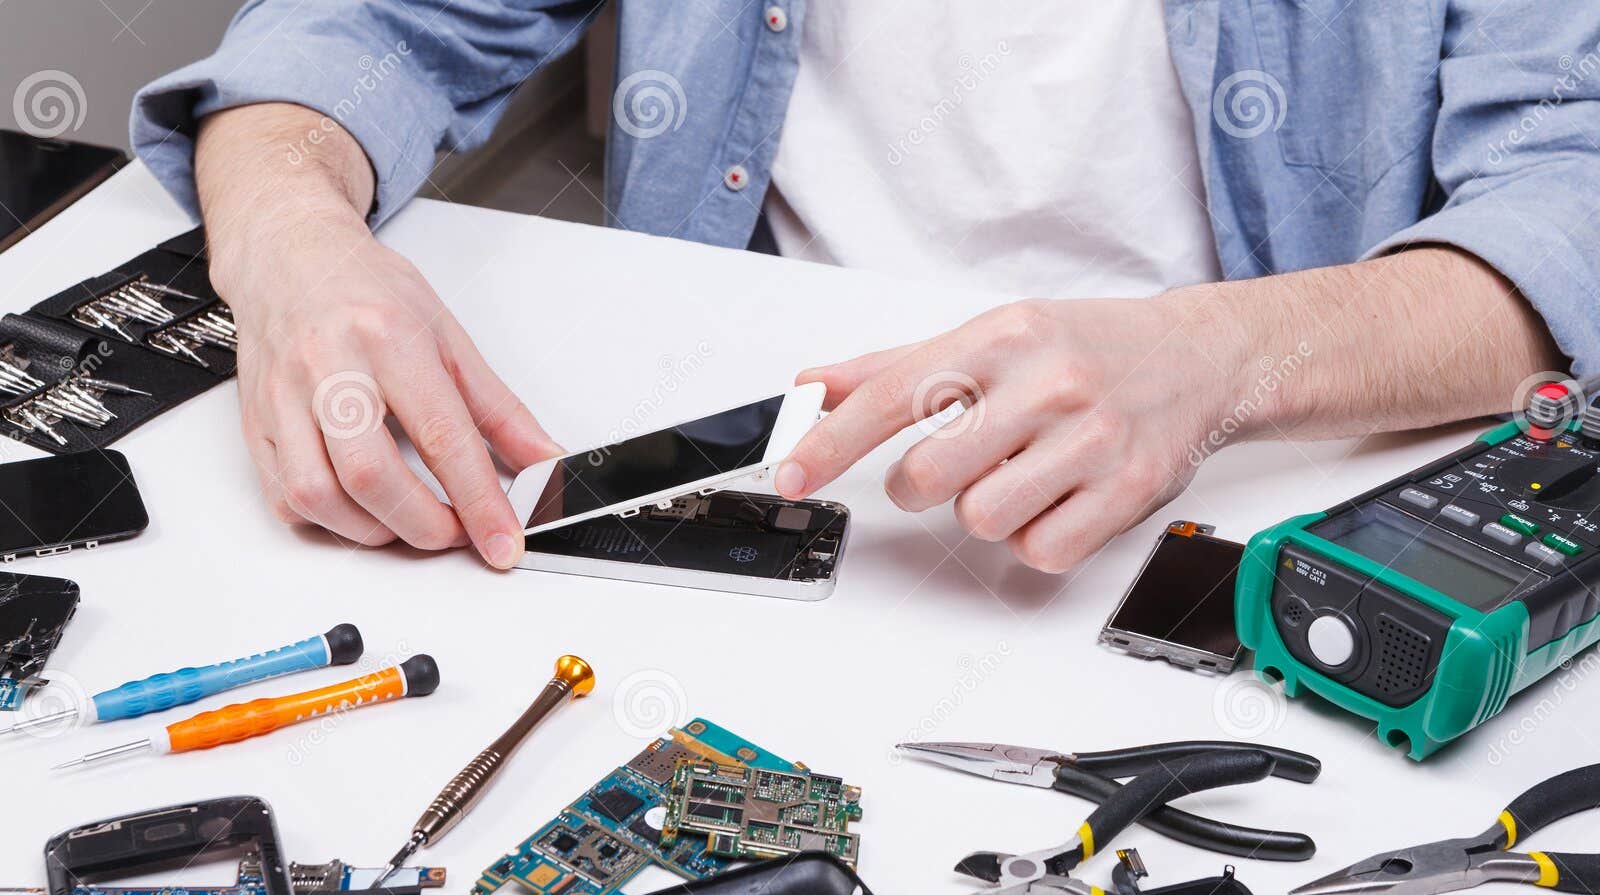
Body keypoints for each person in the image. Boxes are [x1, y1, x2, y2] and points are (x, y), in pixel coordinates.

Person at [132, 2, 1596, 573]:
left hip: (1241, 497)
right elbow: (371, 25)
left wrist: (1225, 357)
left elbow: (1570, 196)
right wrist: (288, 241)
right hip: (759, 465)